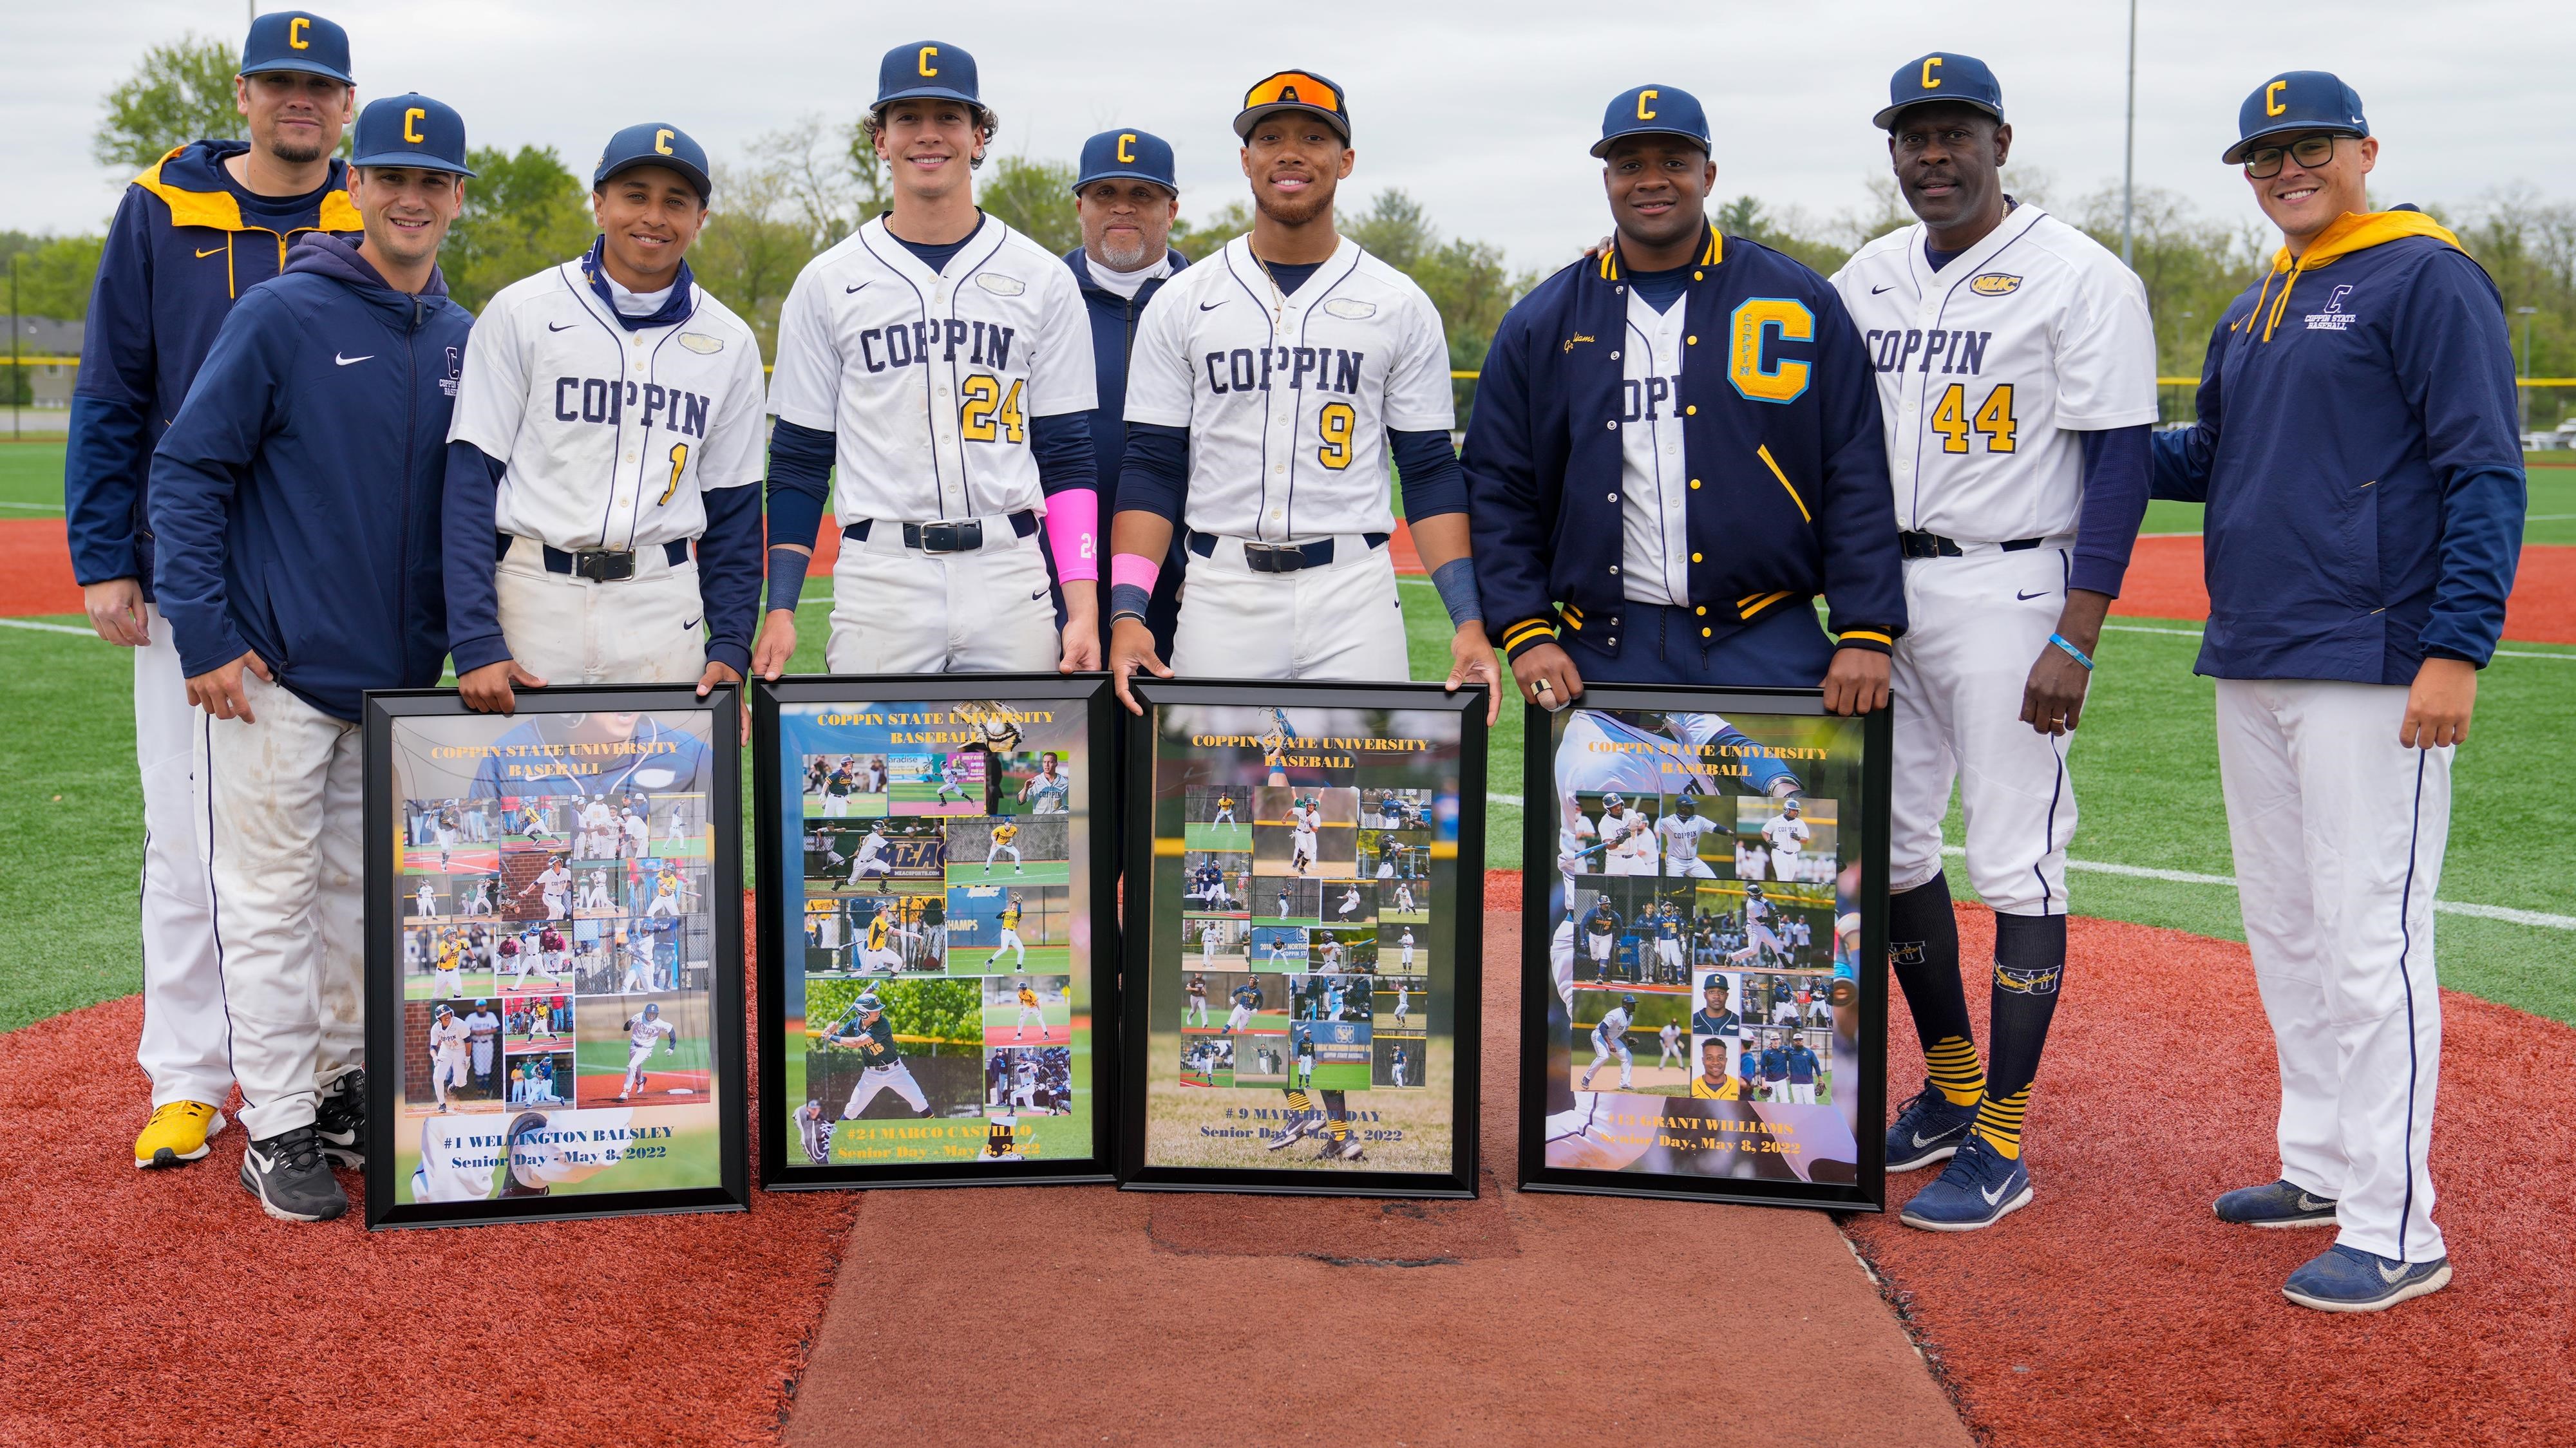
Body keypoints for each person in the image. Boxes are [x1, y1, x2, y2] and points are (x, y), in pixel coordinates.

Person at [2154, 72, 2523, 1313]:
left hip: (2374, 660)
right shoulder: (2261, 295)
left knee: (2371, 941)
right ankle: (2319, 1169)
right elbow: (2210, 458)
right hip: (2254, 650)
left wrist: (2456, 646)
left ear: (2364, 148)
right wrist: (2076, 433)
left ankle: (2399, 1223)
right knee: (2293, 932)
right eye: (2262, 155)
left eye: (2306, 146)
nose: (2282, 168)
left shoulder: (2428, 274)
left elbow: (2482, 468)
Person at [1829, 53, 2160, 1233]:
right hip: (1887, 594)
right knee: (1896, 843)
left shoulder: (2081, 275)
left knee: (2017, 857)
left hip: (2017, 582)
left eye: (1953, 133)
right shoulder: (1863, 275)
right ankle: (1953, 1083)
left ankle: (2004, 1137)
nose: (1932, 155)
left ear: (2000, 140)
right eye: (1912, 137)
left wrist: (2081, 629)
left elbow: (2121, 458)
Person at [149, 94, 472, 1223]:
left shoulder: (458, 336)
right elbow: (188, 470)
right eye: (393, 176)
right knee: (272, 897)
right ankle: (277, 1116)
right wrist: (206, 628)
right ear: (358, 186)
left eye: (433, 181)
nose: (412, 197)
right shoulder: (286, 312)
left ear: (458, 198)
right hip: (276, 674)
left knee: (354, 896)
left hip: (391, 683)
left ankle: (339, 1089)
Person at [67, 10, 362, 1172]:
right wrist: (105, 555)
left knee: (333, 847)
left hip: (323, 581)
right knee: (187, 840)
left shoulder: (372, 205)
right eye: (279, 82)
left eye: (320, 86)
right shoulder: (163, 206)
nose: (300, 101)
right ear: (243, 94)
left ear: (346, 104)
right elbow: (112, 389)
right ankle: (189, 1077)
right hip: (191, 573)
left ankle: (331, 1074)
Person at [1464, 84, 1904, 711]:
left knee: (1780, 809)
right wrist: (1525, 627)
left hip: (1768, 632)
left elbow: (1853, 464)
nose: (1651, 181)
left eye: (1673, 162)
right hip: (1602, 643)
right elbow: (1498, 484)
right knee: (1618, 808)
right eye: (1629, 165)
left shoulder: (1795, 297)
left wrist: (1867, 625)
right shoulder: (1545, 318)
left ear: (1709, 174)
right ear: (1606, 179)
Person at [1106, 69, 1502, 729]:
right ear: (1245, 160)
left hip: (1354, 590)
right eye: (1269, 137)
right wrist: (1127, 611)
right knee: (1208, 807)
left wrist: (1467, 620)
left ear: (1344, 161)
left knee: (1358, 807)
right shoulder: (1183, 298)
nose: (1290, 152)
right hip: (1221, 585)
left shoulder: (1397, 301)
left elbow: (1429, 469)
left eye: (1314, 136)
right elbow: (1151, 464)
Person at [759, 42, 1102, 678]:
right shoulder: (827, 281)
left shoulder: (1041, 277)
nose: (927, 135)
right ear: (879, 140)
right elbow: (801, 459)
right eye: (906, 118)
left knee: (1019, 770)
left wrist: (1080, 607)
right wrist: (780, 604)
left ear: (978, 136)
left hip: (1010, 566)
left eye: (947, 118)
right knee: (880, 776)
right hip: (882, 574)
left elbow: (1066, 454)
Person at [443, 124, 764, 719]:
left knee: (667, 799)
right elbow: (468, 484)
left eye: (676, 202)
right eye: (635, 195)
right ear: (599, 203)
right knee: (521, 796)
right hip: (535, 594)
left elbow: (736, 513)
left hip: (661, 603)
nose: (654, 217)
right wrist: (474, 637)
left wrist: (731, 643)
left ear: (701, 219)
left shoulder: (730, 341)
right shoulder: (522, 312)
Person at [1065, 129, 1191, 653]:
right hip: (1057, 574)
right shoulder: (1037, 297)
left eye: (1142, 195)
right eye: (1105, 195)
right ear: (1081, 206)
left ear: (1172, 208)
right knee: (1063, 736)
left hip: (1184, 573)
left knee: (1172, 732)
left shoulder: (1211, 301)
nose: (1123, 209)